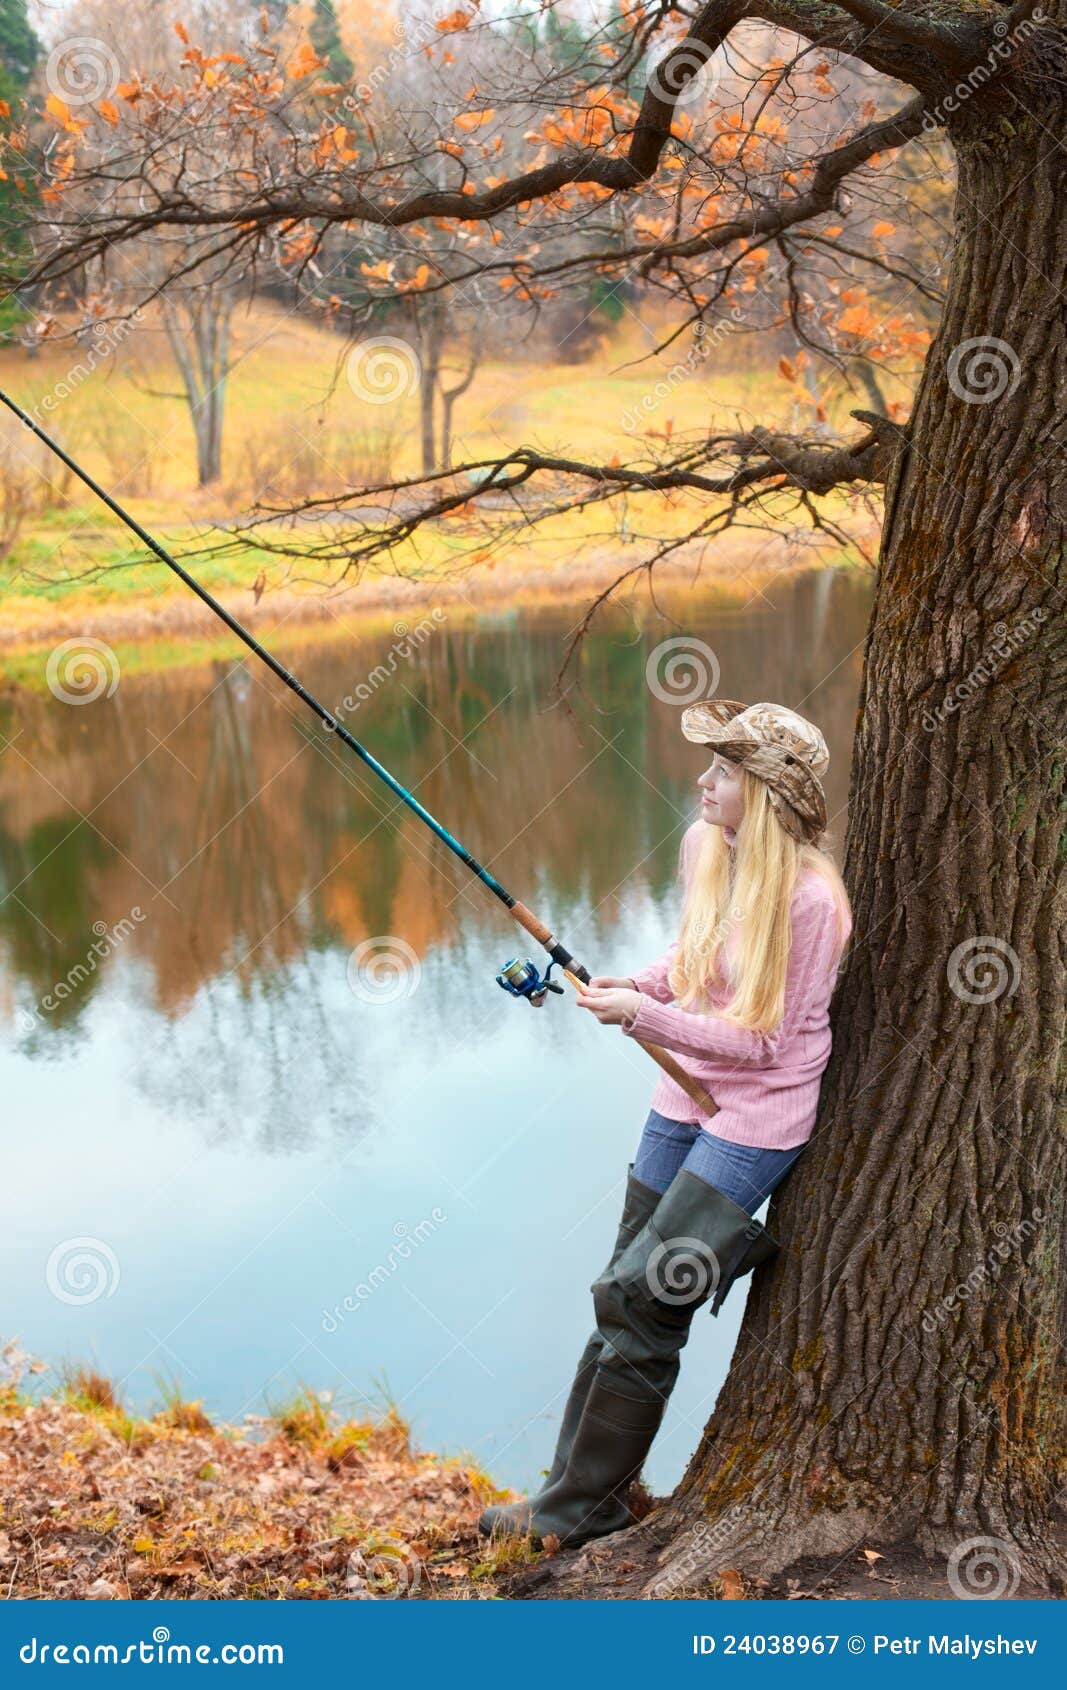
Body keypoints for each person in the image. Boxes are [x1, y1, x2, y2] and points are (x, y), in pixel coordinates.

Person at [478, 698, 853, 1549]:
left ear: (760, 793)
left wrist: (641, 1021)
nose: (702, 782)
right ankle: (565, 1492)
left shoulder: (810, 903)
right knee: (620, 1285)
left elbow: (760, 1043)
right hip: (679, 1097)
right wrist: (633, 989)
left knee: (649, 1300)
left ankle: (583, 1508)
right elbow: (690, 961)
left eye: (721, 772)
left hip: (756, 1114)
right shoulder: (703, 850)